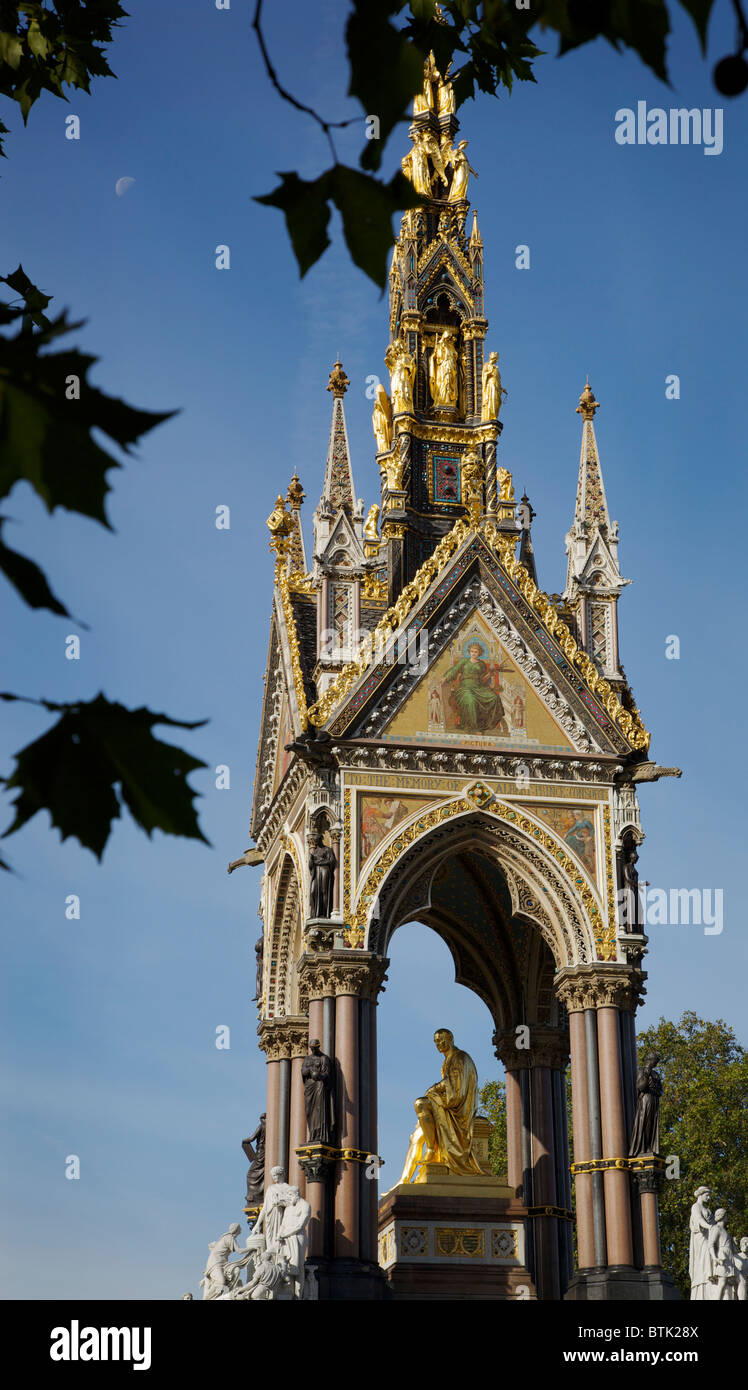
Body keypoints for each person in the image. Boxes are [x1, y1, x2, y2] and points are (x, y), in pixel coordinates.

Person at [400, 1028, 483, 1183]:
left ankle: (431, 1150)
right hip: (450, 1104)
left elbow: (455, 1087)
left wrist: (434, 1088)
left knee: (421, 1104)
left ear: (450, 1038)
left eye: (441, 1039)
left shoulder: (459, 1057)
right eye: (435, 1041)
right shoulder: (449, 1059)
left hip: (457, 1109)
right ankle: (403, 1180)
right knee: (416, 1136)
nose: (438, 1044)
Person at [443, 641, 504, 732]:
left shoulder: (481, 664)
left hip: (479, 688)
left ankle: (487, 725)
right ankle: (473, 728)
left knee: (494, 698)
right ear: (469, 652)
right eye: (472, 651)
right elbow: (454, 670)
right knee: (470, 700)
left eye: (476, 652)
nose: (474, 653)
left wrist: (490, 675)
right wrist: (445, 677)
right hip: (465, 688)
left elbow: (483, 679)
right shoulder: (464, 661)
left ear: (479, 653)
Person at [302, 1039, 336, 1144]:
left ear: (318, 1047)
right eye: (311, 1048)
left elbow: (327, 1074)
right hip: (310, 1088)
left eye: (315, 1048)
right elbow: (303, 1071)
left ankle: (321, 1135)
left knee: (319, 1111)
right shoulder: (307, 1058)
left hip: (319, 1087)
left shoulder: (324, 1059)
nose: (313, 1050)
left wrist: (318, 1075)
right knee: (309, 1112)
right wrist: (310, 1071)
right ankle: (312, 1133)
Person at [628, 1053, 663, 1156]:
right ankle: (644, 1146)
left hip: (654, 1099)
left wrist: (657, 1092)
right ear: (650, 1060)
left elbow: (661, 1090)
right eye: (655, 1062)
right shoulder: (642, 1071)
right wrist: (646, 1076)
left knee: (652, 1123)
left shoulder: (656, 1074)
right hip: (646, 1099)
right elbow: (640, 1087)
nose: (655, 1064)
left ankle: (650, 1145)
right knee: (646, 1123)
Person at [689, 1187, 714, 1299]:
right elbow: (699, 1220)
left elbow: (716, 1225)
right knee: (703, 1259)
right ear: (700, 1195)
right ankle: (703, 1284)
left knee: (710, 1258)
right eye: (707, 1195)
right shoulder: (696, 1206)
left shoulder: (708, 1210)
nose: (709, 1198)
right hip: (701, 1237)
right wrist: (710, 1227)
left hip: (709, 1237)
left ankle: (710, 1283)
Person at [708, 1209, 737, 1300]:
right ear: (722, 1216)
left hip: (729, 1257)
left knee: (731, 1283)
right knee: (722, 1282)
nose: (727, 1217)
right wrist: (715, 1258)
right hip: (723, 1256)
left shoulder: (726, 1231)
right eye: (726, 1215)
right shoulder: (717, 1228)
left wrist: (734, 1243)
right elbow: (711, 1244)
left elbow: (734, 1250)